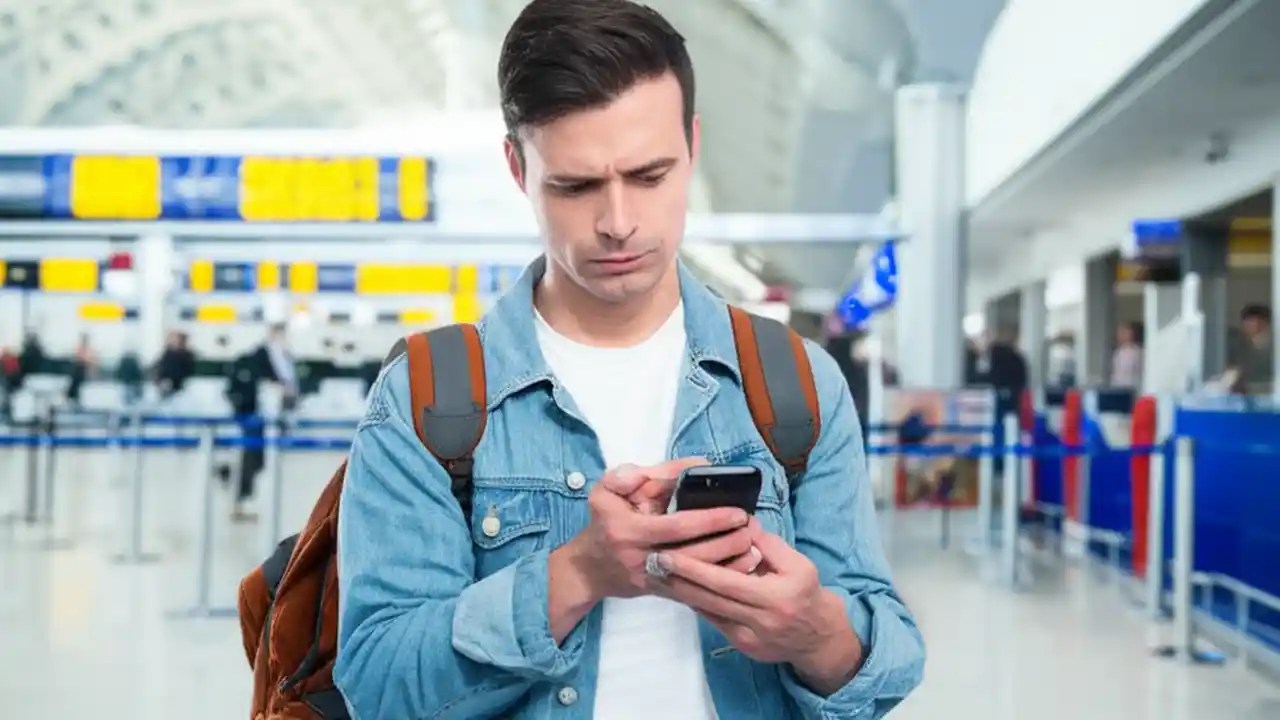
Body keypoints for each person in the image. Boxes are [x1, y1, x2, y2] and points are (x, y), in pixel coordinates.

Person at [334, 2, 924, 718]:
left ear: (693, 147)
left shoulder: (795, 385)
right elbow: (377, 684)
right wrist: (576, 573)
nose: (618, 222)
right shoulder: (430, 398)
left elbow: (886, 657)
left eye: (650, 175)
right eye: (576, 185)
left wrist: (818, 633)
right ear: (518, 167)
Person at [1223, 304, 1273, 397]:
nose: (1255, 326)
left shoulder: (1273, 348)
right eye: (1250, 321)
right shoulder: (1234, 345)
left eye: (1260, 322)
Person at [154, 330, 195, 399]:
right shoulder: (167, 354)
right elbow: (160, 367)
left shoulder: (187, 355)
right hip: (166, 384)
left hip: (179, 386)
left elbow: (184, 371)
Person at [1109, 321, 1143, 389]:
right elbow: (1114, 371)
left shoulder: (1138, 352)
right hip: (1118, 386)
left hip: (1132, 386)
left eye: (1128, 333)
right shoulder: (1118, 352)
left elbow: (1140, 371)